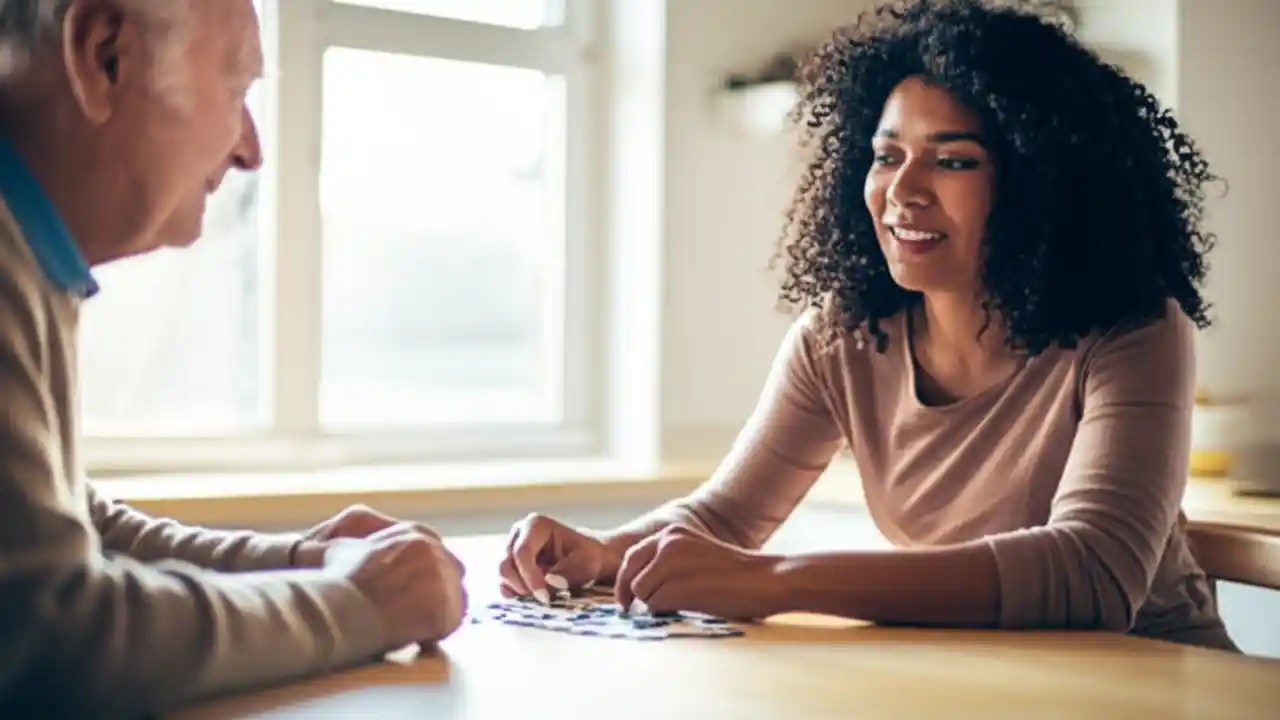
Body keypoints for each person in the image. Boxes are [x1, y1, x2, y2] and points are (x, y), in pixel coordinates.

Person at [500, 0, 1235, 651]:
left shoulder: (1133, 331)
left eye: (953, 160)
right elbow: (724, 518)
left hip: (1160, 682)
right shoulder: (841, 338)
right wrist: (606, 552)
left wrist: (777, 581)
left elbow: (1092, 574)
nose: (903, 191)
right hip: (977, 683)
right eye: (887, 156)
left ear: (1039, 185)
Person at [0, 1, 465, 715]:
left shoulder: (31, 254)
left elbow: (76, 525)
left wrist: (302, 560)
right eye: (236, 88)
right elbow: (47, 631)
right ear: (104, 57)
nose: (251, 149)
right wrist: (357, 604)